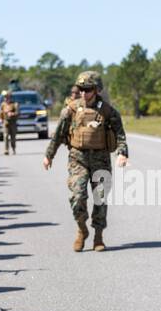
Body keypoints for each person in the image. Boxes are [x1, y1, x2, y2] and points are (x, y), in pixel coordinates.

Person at [43, 71, 128, 250]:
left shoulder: (107, 111)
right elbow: (58, 134)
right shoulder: (71, 110)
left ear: (96, 90)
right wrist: (49, 155)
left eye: (87, 89)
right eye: (80, 89)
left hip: (101, 159)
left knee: (100, 199)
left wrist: (122, 153)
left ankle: (98, 236)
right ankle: (82, 229)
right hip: (78, 159)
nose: (83, 93)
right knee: (77, 196)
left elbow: (120, 134)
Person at [0, 90, 20, 155]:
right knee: (5, 136)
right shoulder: (3, 104)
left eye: (7, 97)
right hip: (6, 122)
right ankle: (6, 150)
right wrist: (0, 118)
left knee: (13, 137)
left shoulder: (15, 104)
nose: (6, 98)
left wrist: (12, 113)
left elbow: (18, 113)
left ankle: (13, 148)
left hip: (13, 123)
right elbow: (1, 112)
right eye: (5, 97)